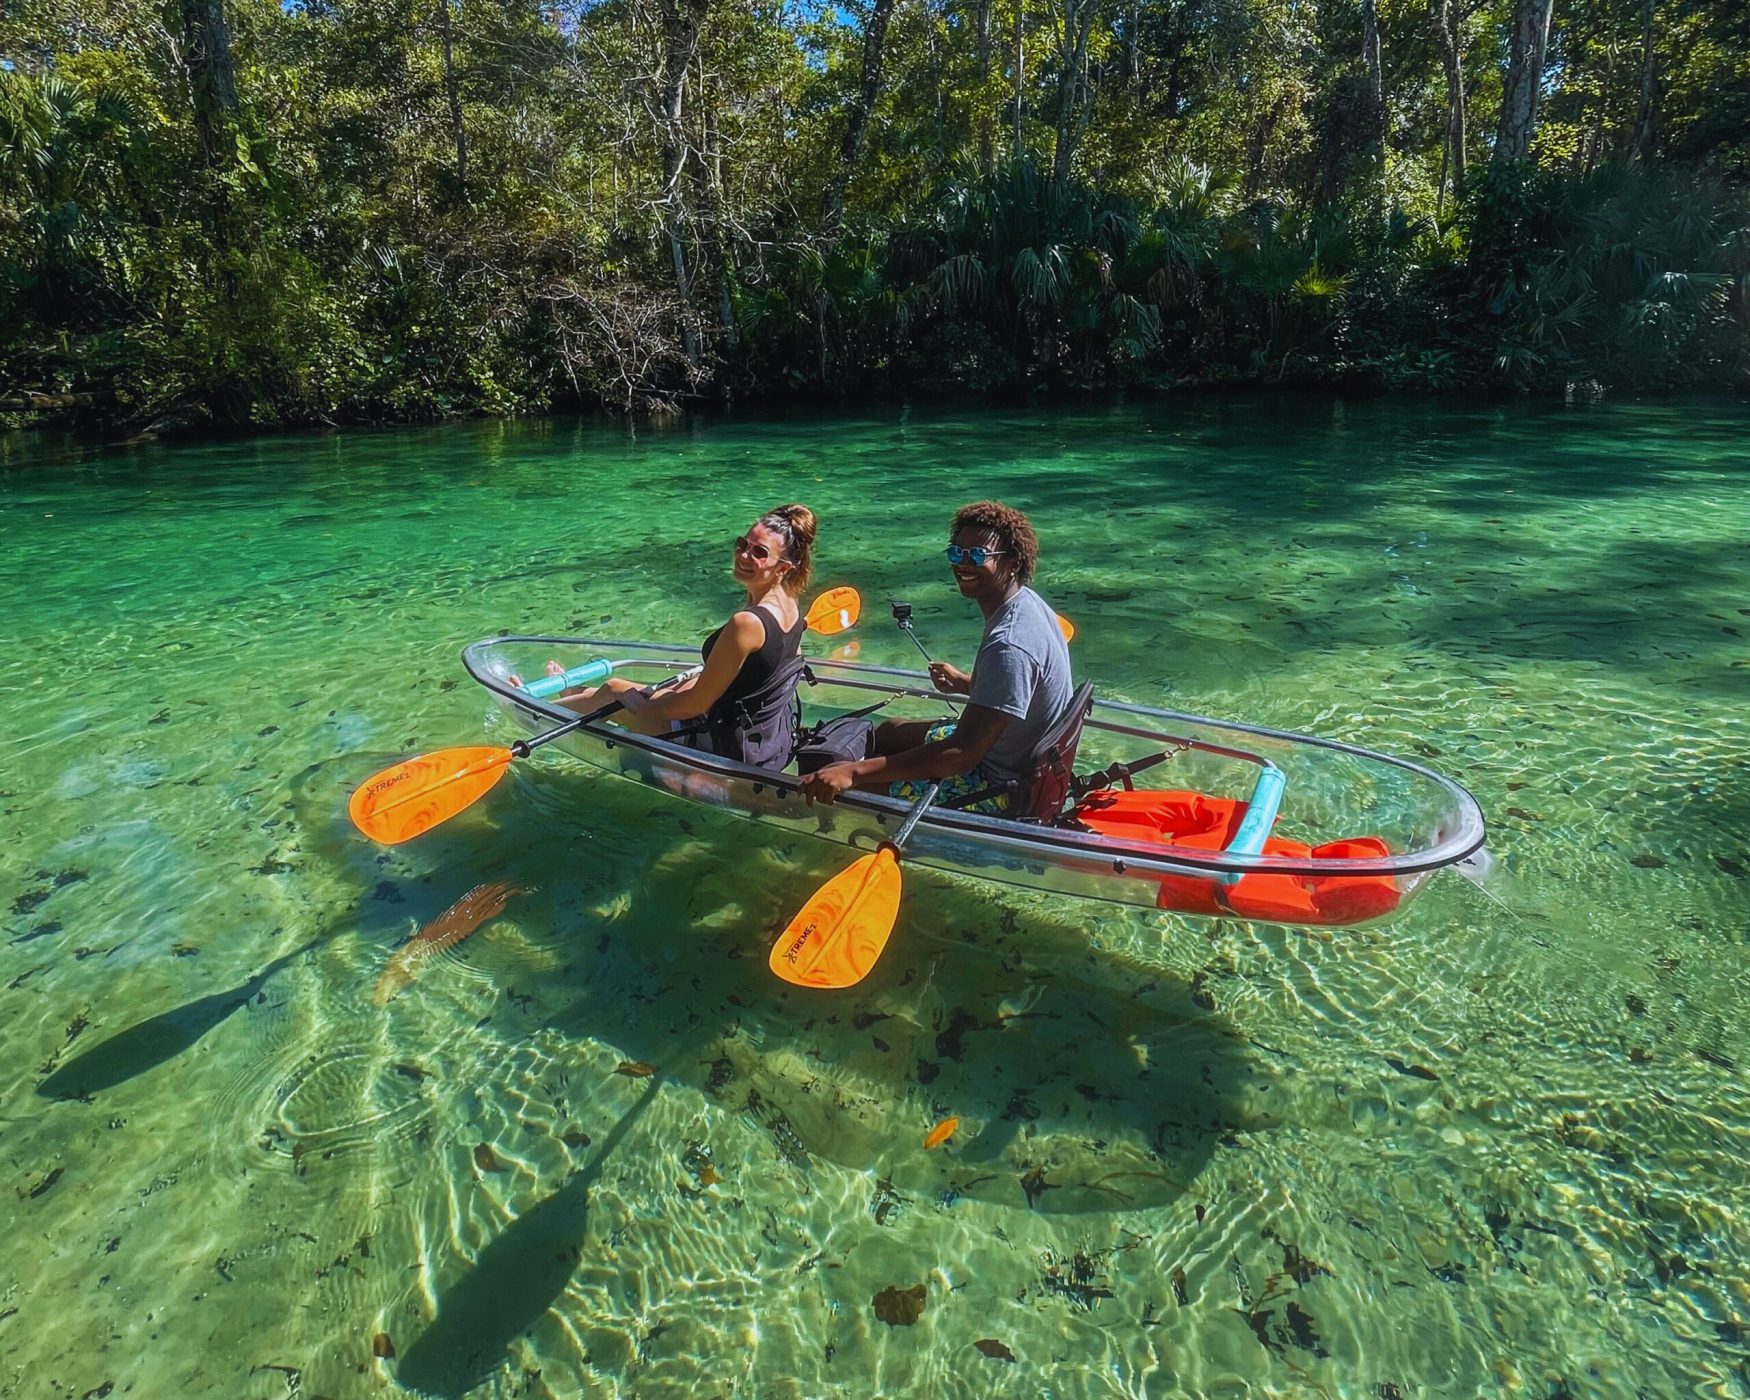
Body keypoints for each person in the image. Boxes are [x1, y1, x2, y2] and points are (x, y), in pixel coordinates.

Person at [799, 500, 1071, 813]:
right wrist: (967, 684)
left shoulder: (1009, 644)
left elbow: (960, 754)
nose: (963, 564)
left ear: (1012, 562)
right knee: (889, 732)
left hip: (995, 785)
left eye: (978, 555)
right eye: (957, 552)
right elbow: (1020, 692)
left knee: (848, 794)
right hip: (1002, 753)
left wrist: (851, 773)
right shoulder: (1028, 605)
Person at [546, 504, 817, 769]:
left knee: (615, 691)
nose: (744, 556)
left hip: (725, 748)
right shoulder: (790, 604)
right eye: (742, 544)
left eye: (759, 552)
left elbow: (695, 705)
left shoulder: (747, 623)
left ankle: (539, 710)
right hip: (768, 742)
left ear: (783, 568)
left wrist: (643, 706)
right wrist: (663, 696)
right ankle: (570, 697)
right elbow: (752, 678)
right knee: (651, 691)